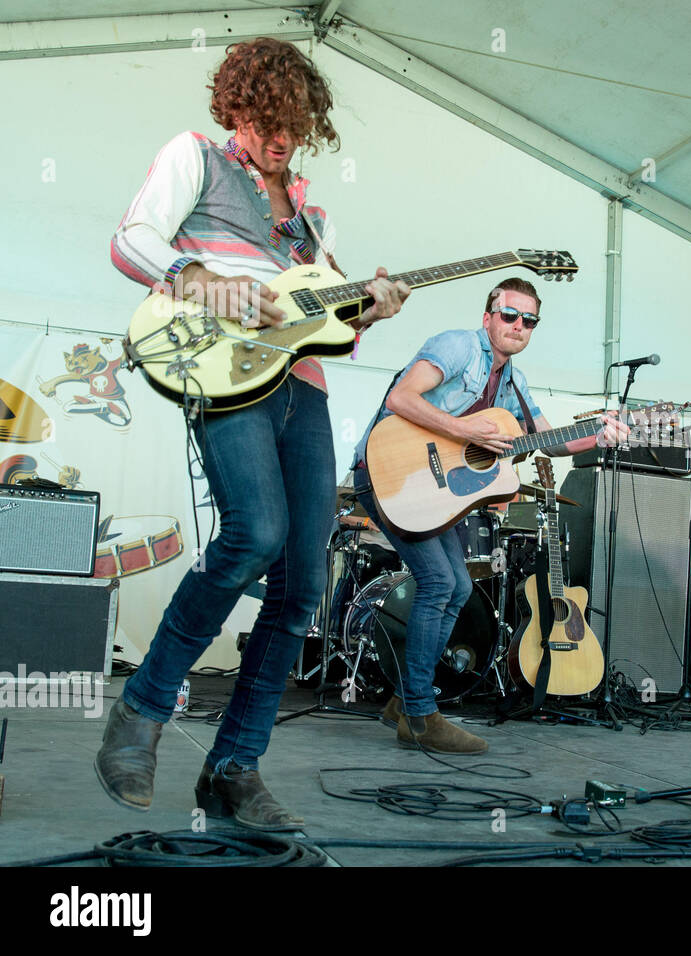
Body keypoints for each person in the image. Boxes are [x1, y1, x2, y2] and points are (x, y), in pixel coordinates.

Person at [98, 38, 410, 829]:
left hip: (300, 389)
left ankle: (234, 768)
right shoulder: (195, 158)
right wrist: (202, 278)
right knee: (255, 533)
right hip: (223, 376)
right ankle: (141, 709)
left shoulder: (310, 217)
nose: (281, 136)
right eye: (267, 118)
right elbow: (132, 239)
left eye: (295, 124)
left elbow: (331, 327)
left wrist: (369, 305)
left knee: (304, 581)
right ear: (235, 108)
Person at [352, 277, 625, 753]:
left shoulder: (514, 384)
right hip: (388, 473)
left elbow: (549, 439)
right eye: (509, 315)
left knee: (457, 586)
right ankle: (419, 715)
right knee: (439, 583)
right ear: (488, 317)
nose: (519, 325)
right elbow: (401, 399)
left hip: (434, 494)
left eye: (529, 320)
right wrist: (463, 428)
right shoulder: (458, 346)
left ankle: (403, 699)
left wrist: (598, 434)